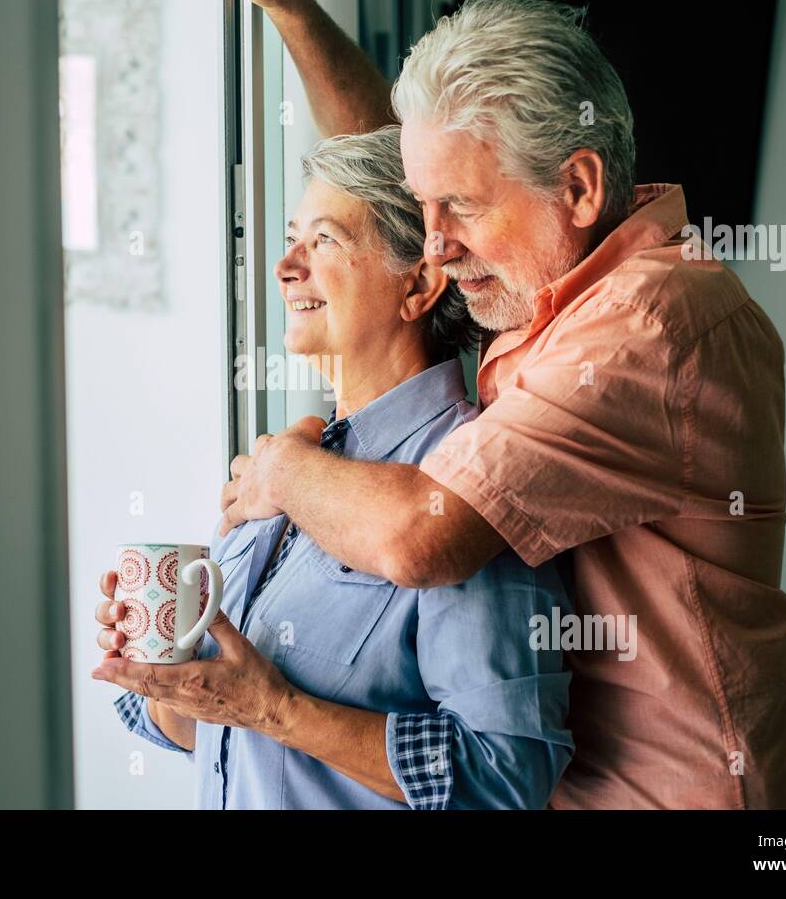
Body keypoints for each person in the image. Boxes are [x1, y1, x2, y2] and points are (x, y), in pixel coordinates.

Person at [195, 0, 786, 808]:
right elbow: (389, 176)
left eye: (462, 210)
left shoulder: (646, 324)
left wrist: (280, 469)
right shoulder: (551, 272)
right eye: (427, 211)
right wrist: (289, 5)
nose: (437, 243)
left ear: (577, 187)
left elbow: (424, 537)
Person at [92, 127, 575, 809]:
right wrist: (165, 673)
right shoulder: (280, 468)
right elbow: (220, 731)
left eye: (323, 241)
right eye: (294, 238)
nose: (286, 266)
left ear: (421, 284)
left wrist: (277, 709)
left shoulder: (463, 482)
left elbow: (505, 773)